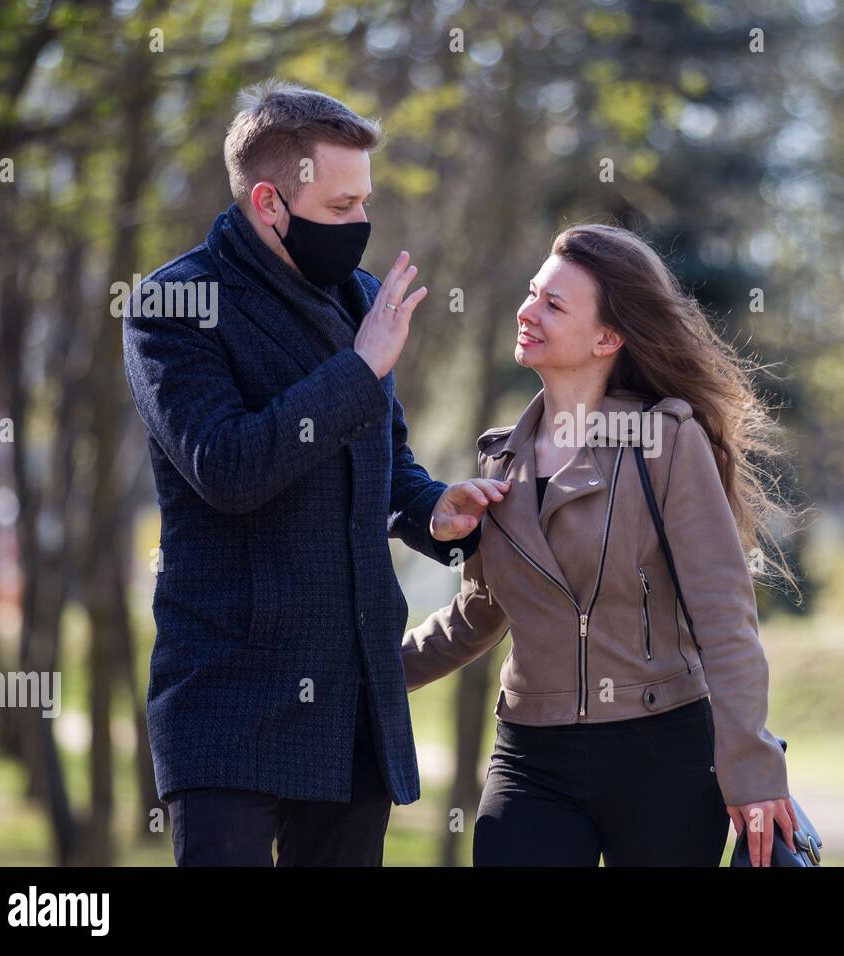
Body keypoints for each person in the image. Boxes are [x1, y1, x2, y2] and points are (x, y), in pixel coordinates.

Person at [121, 79, 509, 866]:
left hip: (351, 704)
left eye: (364, 203)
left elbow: (383, 462)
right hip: (225, 700)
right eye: (340, 208)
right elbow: (225, 467)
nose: (360, 226)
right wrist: (360, 368)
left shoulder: (361, 297)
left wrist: (436, 510)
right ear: (269, 202)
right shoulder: (173, 303)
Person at [402, 222, 801, 866]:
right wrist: (372, 679)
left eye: (553, 304)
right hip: (532, 759)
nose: (527, 311)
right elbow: (478, 614)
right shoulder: (499, 462)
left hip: (664, 758)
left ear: (607, 338)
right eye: (533, 292)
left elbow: (724, 614)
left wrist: (752, 769)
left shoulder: (667, 441)